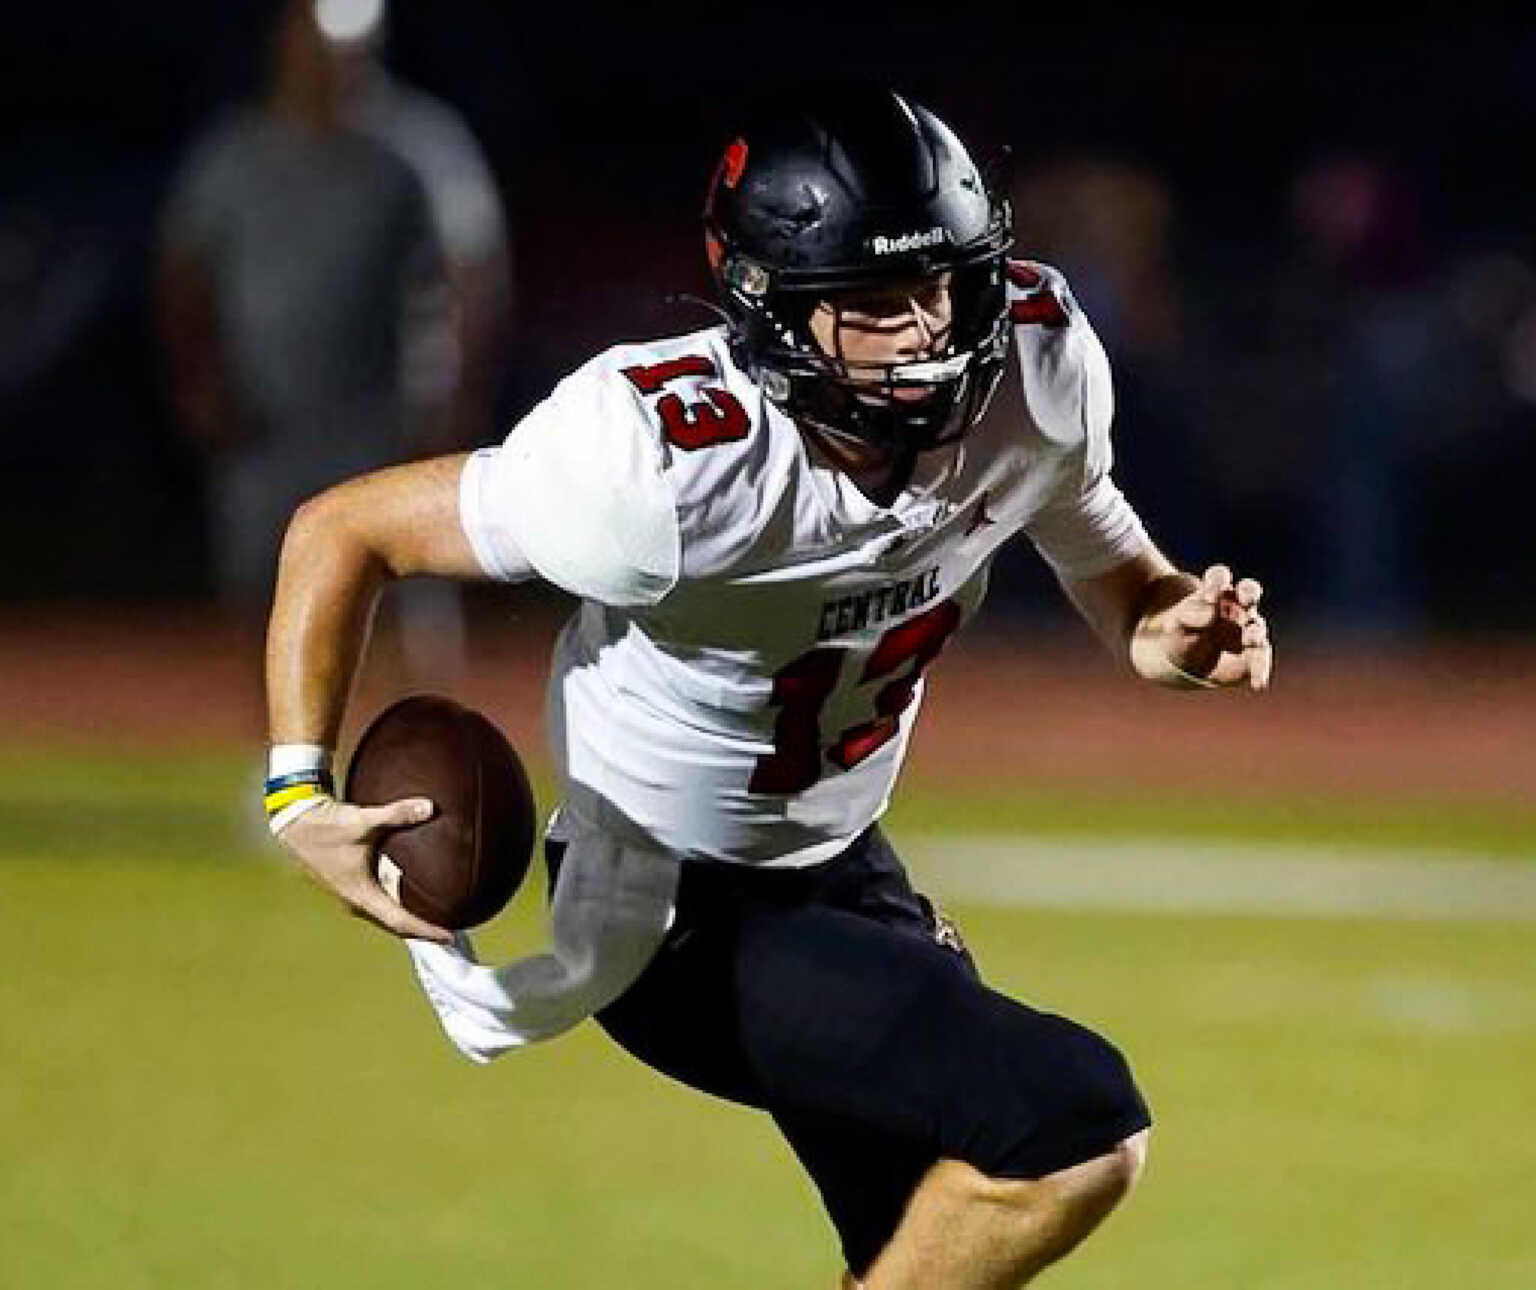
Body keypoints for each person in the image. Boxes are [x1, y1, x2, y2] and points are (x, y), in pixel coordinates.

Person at [263, 90, 1272, 1290]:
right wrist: (296, 797)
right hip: (673, 911)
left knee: (930, 1242)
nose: (925, 332)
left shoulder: (1036, 369)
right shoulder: (658, 466)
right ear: (779, 312)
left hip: (846, 870)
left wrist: (1173, 631)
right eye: (875, 307)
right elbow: (345, 530)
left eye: (942, 288)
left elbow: (1113, 568)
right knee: (1072, 1128)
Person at [157, 0, 508, 679]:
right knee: (266, 586)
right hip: (266, 419)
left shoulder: (418, 142)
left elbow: (474, 269)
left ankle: (422, 748)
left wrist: (459, 394)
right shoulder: (235, 152)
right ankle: (284, 757)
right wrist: (199, 383)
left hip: (383, 412)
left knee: (412, 585)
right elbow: (182, 275)